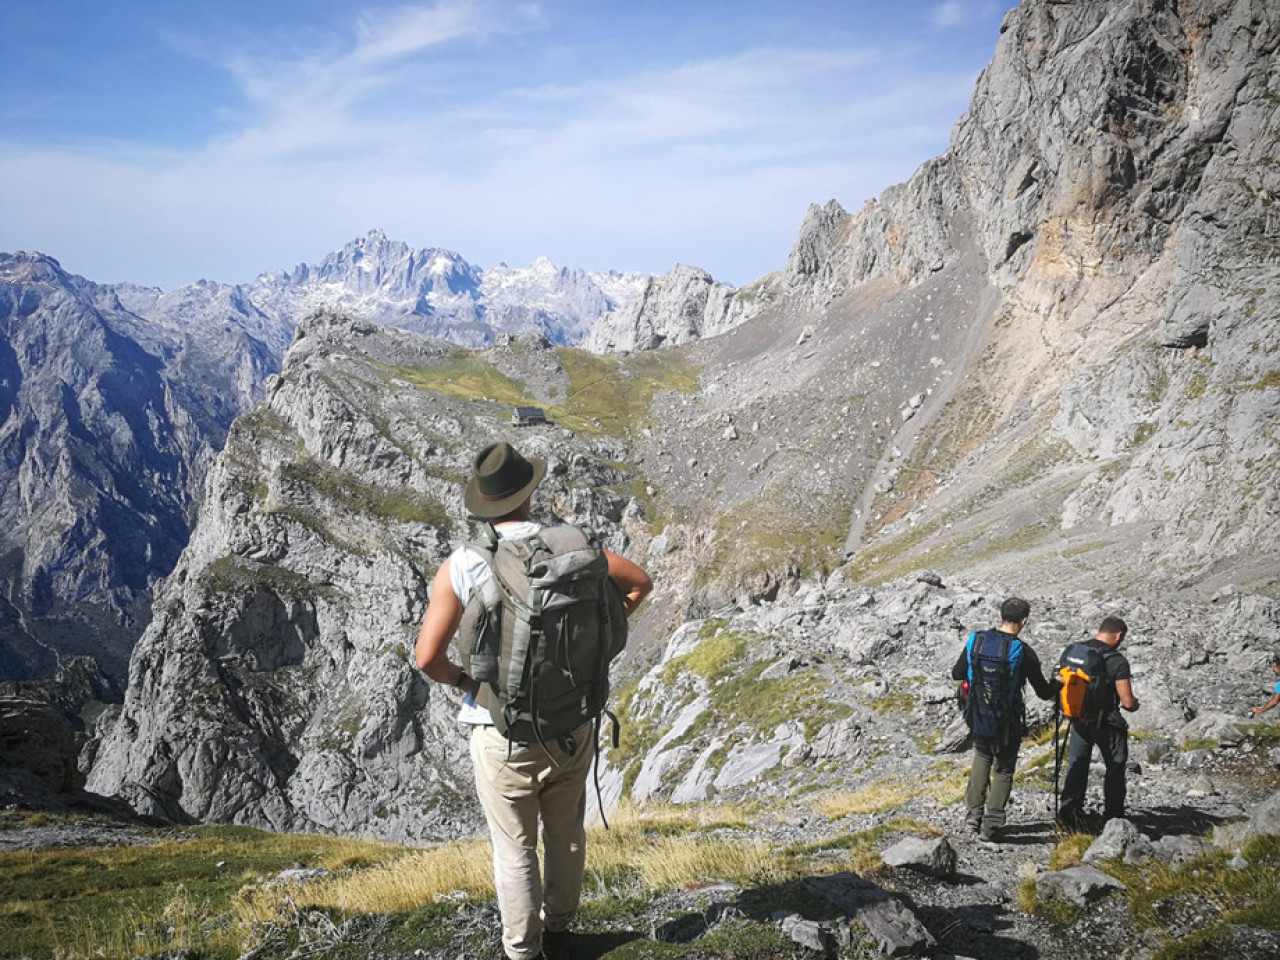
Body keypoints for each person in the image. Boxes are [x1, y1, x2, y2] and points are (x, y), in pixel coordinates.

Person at [414, 441, 652, 960]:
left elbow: (426, 658)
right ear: (528, 493)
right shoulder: (573, 547)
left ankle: (524, 951)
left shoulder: (464, 565)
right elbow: (638, 583)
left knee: (514, 850)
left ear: (484, 503)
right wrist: (590, 650)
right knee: (565, 834)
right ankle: (563, 934)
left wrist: (468, 686)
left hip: (503, 733)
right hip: (573, 721)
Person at [951, 597, 1059, 842]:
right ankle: (991, 827)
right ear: (1024, 621)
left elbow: (957, 673)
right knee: (1003, 769)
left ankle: (972, 818)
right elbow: (1043, 692)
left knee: (981, 758)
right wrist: (1057, 683)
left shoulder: (977, 640)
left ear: (1000, 616)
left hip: (978, 715)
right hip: (1007, 722)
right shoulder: (1023, 651)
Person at [1056, 615, 1139, 830]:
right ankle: (1113, 818)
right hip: (1107, 722)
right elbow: (1127, 702)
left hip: (1078, 719)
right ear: (1118, 635)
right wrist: (1135, 705)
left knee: (1077, 764)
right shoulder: (1117, 660)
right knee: (1115, 766)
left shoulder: (1076, 651)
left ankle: (1069, 814)